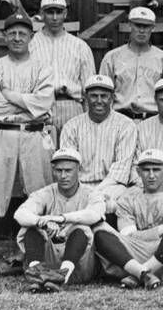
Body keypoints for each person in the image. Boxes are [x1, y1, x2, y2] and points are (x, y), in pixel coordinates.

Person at [0, 10, 54, 275]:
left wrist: (10, 95)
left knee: (36, 191)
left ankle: (27, 254)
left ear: (31, 37)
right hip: (2, 132)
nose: (17, 38)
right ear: (5, 36)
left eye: (22, 33)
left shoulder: (42, 67)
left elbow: (43, 104)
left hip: (34, 133)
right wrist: (25, 103)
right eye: (12, 33)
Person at [93, 149, 163, 288]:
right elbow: (128, 235)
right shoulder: (128, 196)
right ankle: (143, 273)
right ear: (138, 172)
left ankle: (139, 273)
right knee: (100, 231)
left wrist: (162, 232)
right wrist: (162, 229)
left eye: (156, 169)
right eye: (146, 170)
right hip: (134, 250)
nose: (151, 175)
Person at [13, 148, 103, 293]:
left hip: (78, 263)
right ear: (53, 171)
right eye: (58, 170)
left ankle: (62, 276)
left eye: (68, 171)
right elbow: (20, 214)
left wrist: (61, 218)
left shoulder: (91, 193)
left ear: (78, 170)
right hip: (48, 258)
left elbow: (95, 214)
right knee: (30, 228)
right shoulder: (46, 192)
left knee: (82, 229)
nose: (63, 176)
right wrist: (41, 222)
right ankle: (37, 273)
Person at [58, 73, 138, 215]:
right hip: (79, 186)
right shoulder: (72, 126)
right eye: (94, 95)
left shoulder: (126, 125)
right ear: (86, 97)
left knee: (112, 204)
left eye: (104, 96)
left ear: (112, 98)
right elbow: (68, 167)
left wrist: (94, 194)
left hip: (112, 187)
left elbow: (120, 171)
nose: (99, 100)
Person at [27, 0, 95, 136]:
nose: (55, 17)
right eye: (50, 12)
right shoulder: (30, 45)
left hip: (71, 106)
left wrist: (90, 120)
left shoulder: (79, 46)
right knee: (43, 155)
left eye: (59, 12)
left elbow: (89, 88)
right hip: (40, 108)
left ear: (65, 14)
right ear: (42, 14)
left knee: (71, 155)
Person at [99, 5, 163, 119]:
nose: (142, 30)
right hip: (120, 118)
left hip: (153, 119)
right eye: (138, 25)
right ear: (130, 25)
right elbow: (103, 92)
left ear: (153, 28)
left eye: (146, 26)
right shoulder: (112, 57)